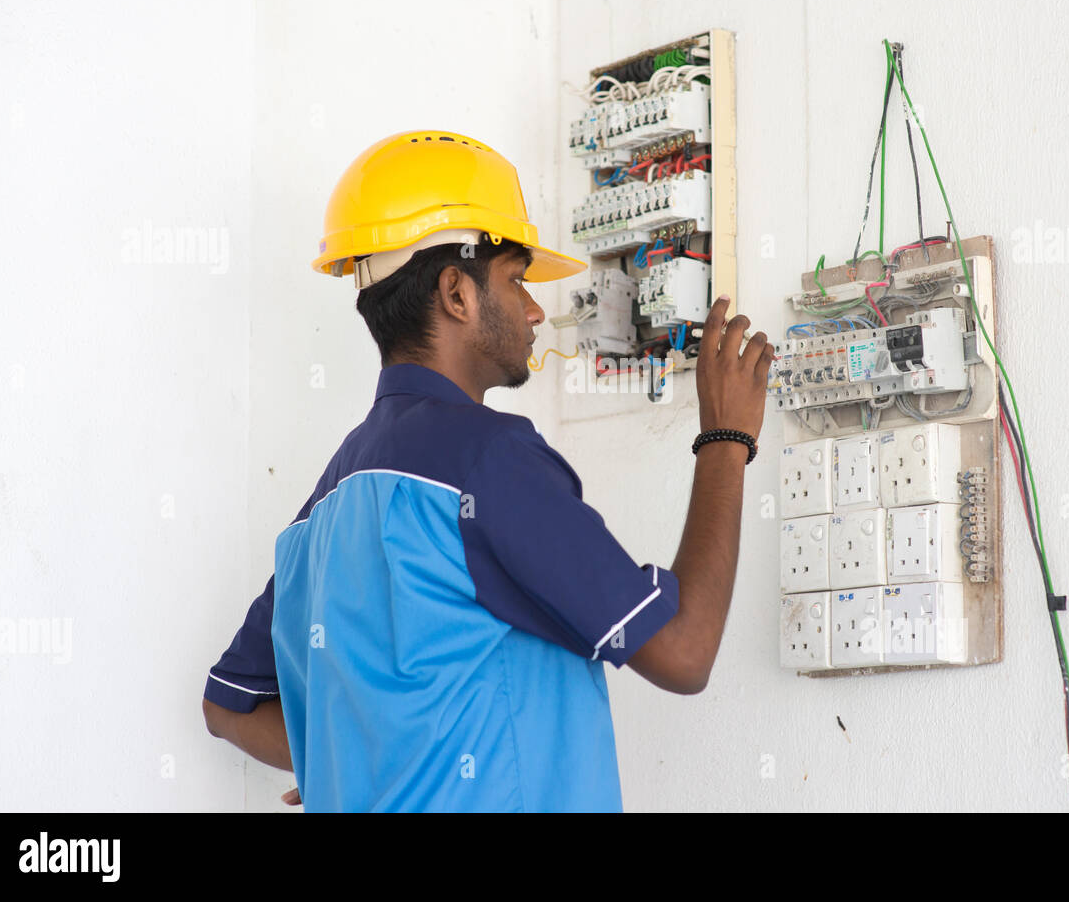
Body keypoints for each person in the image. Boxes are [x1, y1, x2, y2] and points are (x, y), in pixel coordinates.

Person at [200, 130, 772, 811]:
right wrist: (726, 438)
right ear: (456, 292)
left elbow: (227, 706)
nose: (535, 310)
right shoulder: (488, 461)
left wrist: (359, 755)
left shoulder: (324, 505)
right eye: (517, 279)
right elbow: (684, 651)